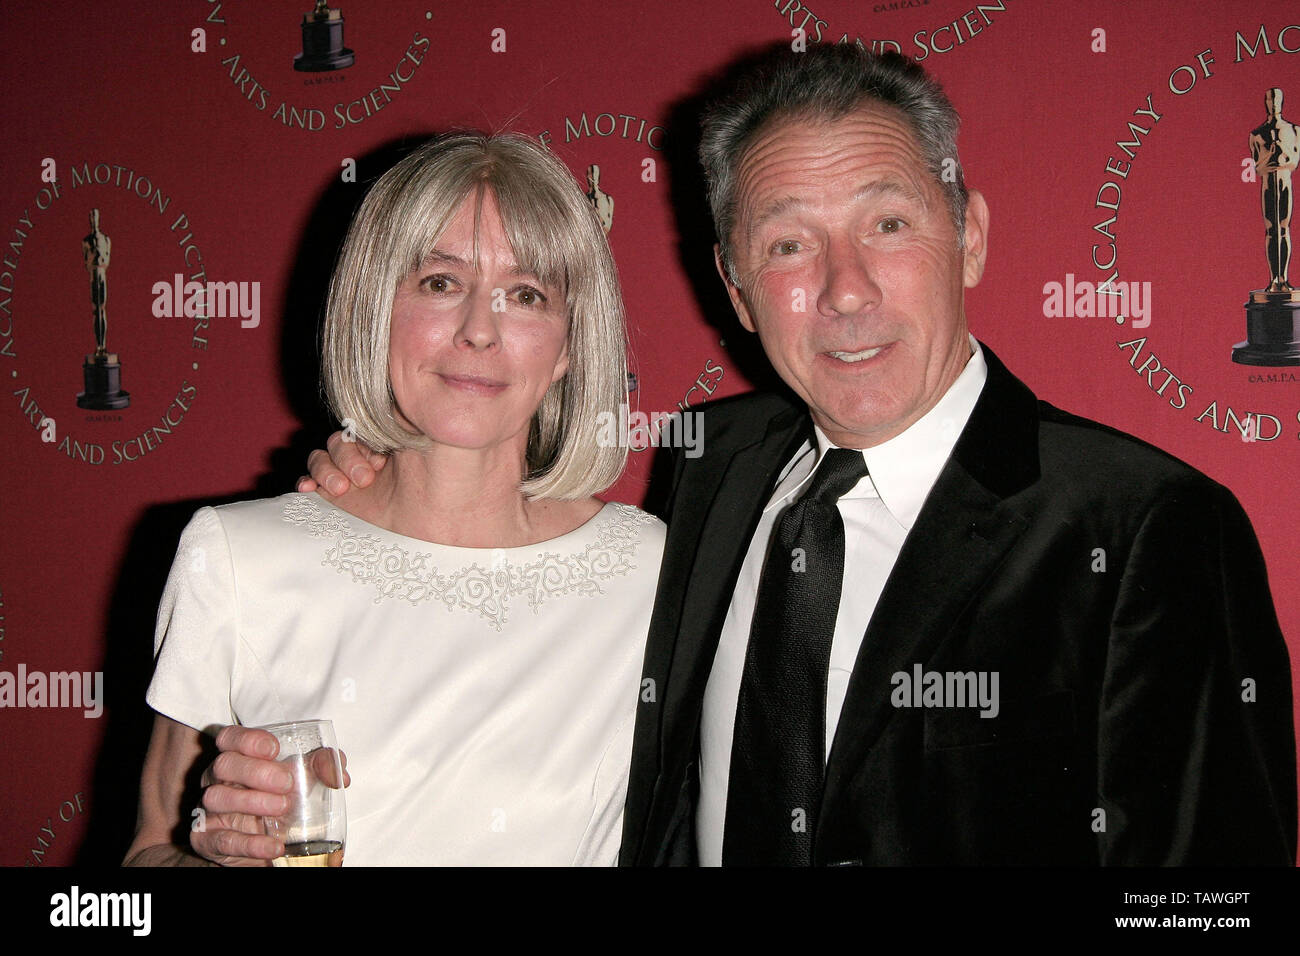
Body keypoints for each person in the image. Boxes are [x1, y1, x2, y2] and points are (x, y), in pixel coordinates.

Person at [306, 46, 1298, 866]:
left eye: (888, 224)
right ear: (736, 292)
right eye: (787, 246)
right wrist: (379, 498)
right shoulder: (711, 467)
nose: (846, 288)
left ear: (970, 237)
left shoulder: (1144, 527)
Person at [123, 131, 665, 866]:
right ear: (375, 306)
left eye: (527, 294)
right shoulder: (235, 558)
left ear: (568, 343)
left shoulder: (653, 574)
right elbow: (146, 861)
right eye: (440, 283)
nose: (479, 329)